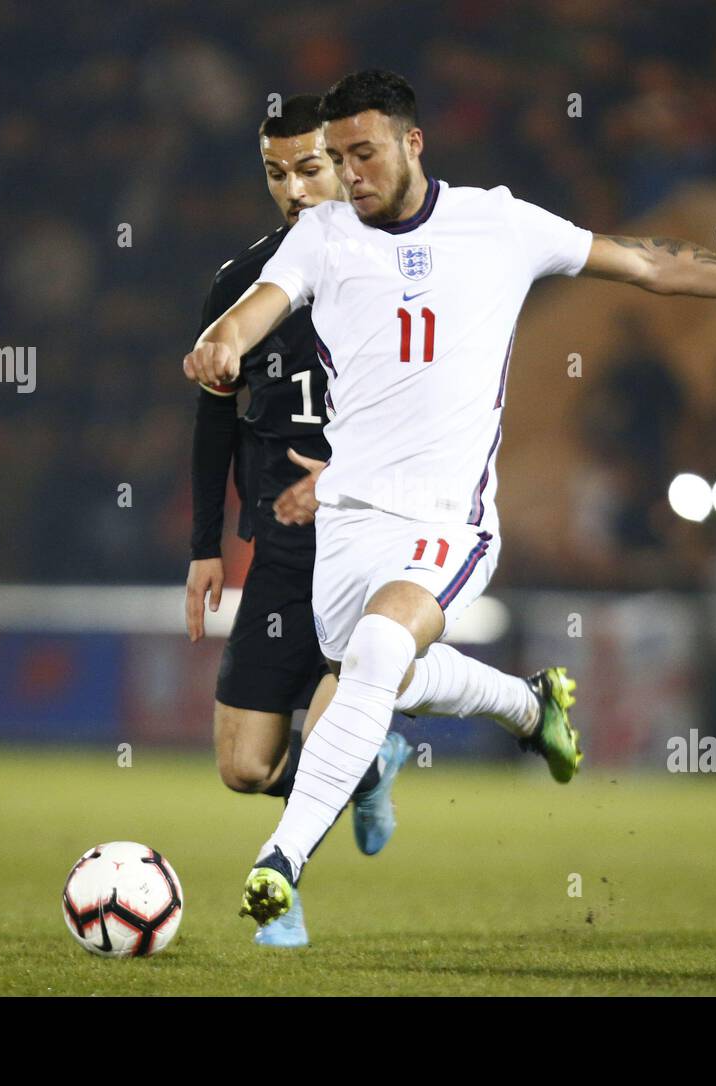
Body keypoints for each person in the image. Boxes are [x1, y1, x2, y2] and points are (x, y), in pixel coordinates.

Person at [183, 69, 716, 932]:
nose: (349, 175)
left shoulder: (499, 224)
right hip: (348, 517)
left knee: (384, 646)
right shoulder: (322, 235)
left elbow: (651, 263)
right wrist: (221, 343)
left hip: (445, 522)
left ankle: (280, 862)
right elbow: (256, 310)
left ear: (411, 143)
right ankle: (528, 704)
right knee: (375, 672)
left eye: (363, 155)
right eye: (340, 159)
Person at [187, 92, 581, 945]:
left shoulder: (411, 258)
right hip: (283, 546)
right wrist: (203, 545)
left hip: (374, 531)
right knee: (244, 764)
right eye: (275, 173)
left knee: (367, 670)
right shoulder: (255, 279)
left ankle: (281, 896)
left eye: (312, 167)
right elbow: (216, 409)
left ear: (347, 162)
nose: (295, 190)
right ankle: (413, 748)